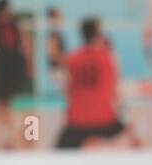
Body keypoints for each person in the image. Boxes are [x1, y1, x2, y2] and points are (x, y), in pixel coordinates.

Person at [56, 18, 141, 149]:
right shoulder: (107, 59)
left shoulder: (72, 59)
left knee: (58, 154)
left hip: (77, 122)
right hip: (104, 120)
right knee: (136, 131)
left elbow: (68, 91)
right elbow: (115, 94)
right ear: (98, 35)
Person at [0, 0, 32, 149]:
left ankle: (27, 133)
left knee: (14, 102)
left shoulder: (17, 26)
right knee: (2, 103)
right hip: (3, 65)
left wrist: (29, 66)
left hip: (14, 65)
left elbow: (26, 47)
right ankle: (13, 133)